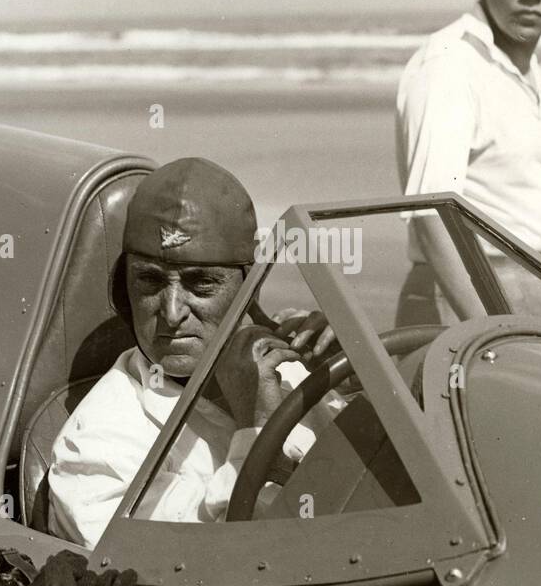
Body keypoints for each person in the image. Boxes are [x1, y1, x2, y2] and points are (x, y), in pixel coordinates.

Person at [46, 158, 337, 549]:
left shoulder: (286, 366)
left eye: (201, 284)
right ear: (124, 292)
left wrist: (352, 381)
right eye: (149, 281)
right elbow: (194, 568)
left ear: (248, 291)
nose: (171, 312)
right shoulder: (96, 444)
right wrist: (260, 428)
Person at [394, 0, 541, 326]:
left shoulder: (519, 62)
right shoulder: (451, 63)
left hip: (529, 288)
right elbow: (431, 211)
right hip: (464, 299)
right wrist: (490, 332)